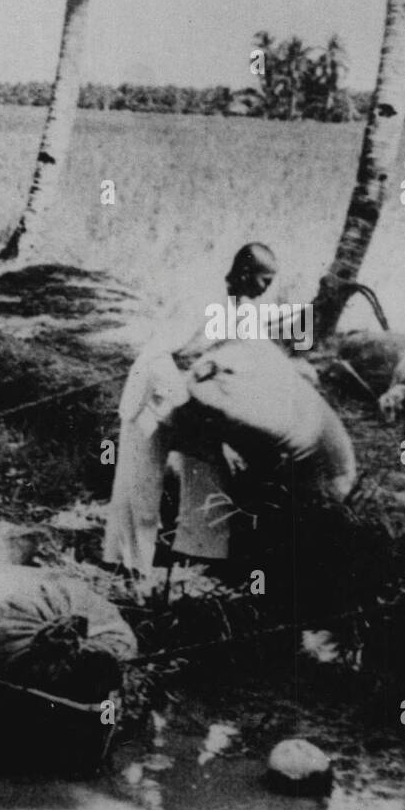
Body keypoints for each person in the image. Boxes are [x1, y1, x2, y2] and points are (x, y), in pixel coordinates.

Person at [103, 243, 282, 578]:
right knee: (141, 487)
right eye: (264, 280)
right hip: (154, 398)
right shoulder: (200, 300)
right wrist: (185, 399)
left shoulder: (242, 310)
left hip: (191, 403)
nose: (266, 289)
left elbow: (247, 356)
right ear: (245, 273)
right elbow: (157, 355)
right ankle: (129, 567)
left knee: (210, 471)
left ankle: (198, 557)